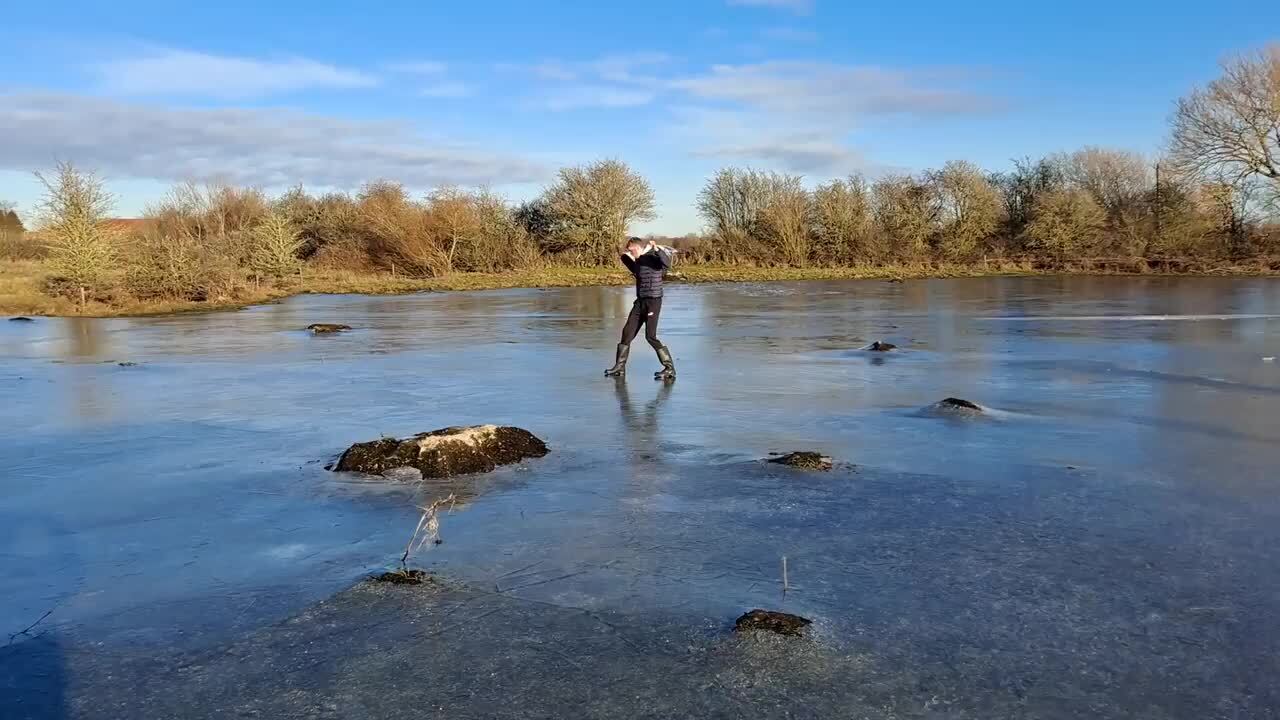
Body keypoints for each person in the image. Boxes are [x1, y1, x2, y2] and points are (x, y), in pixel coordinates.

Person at [605, 237, 676, 381]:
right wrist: (624, 254)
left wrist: (656, 249)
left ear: (638, 247)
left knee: (650, 336)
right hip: (640, 302)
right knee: (627, 333)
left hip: (653, 302)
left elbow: (667, 263)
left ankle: (669, 368)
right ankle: (619, 367)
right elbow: (629, 263)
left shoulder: (653, 258)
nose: (630, 252)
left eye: (631, 249)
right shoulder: (638, 262)